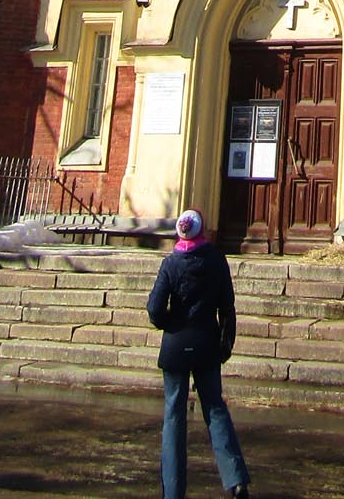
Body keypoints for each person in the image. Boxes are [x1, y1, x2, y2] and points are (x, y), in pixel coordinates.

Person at [147, 207, 250, 499]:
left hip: (175, 347)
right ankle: (236, 480)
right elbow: (227, 307)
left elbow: (154, 310)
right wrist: (225, 343)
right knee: (215, 409)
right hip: (206, 344)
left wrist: (171, 325)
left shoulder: (170, 263)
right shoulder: (216, 260)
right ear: (202, 230)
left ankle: (173, 490)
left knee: (173, 416)